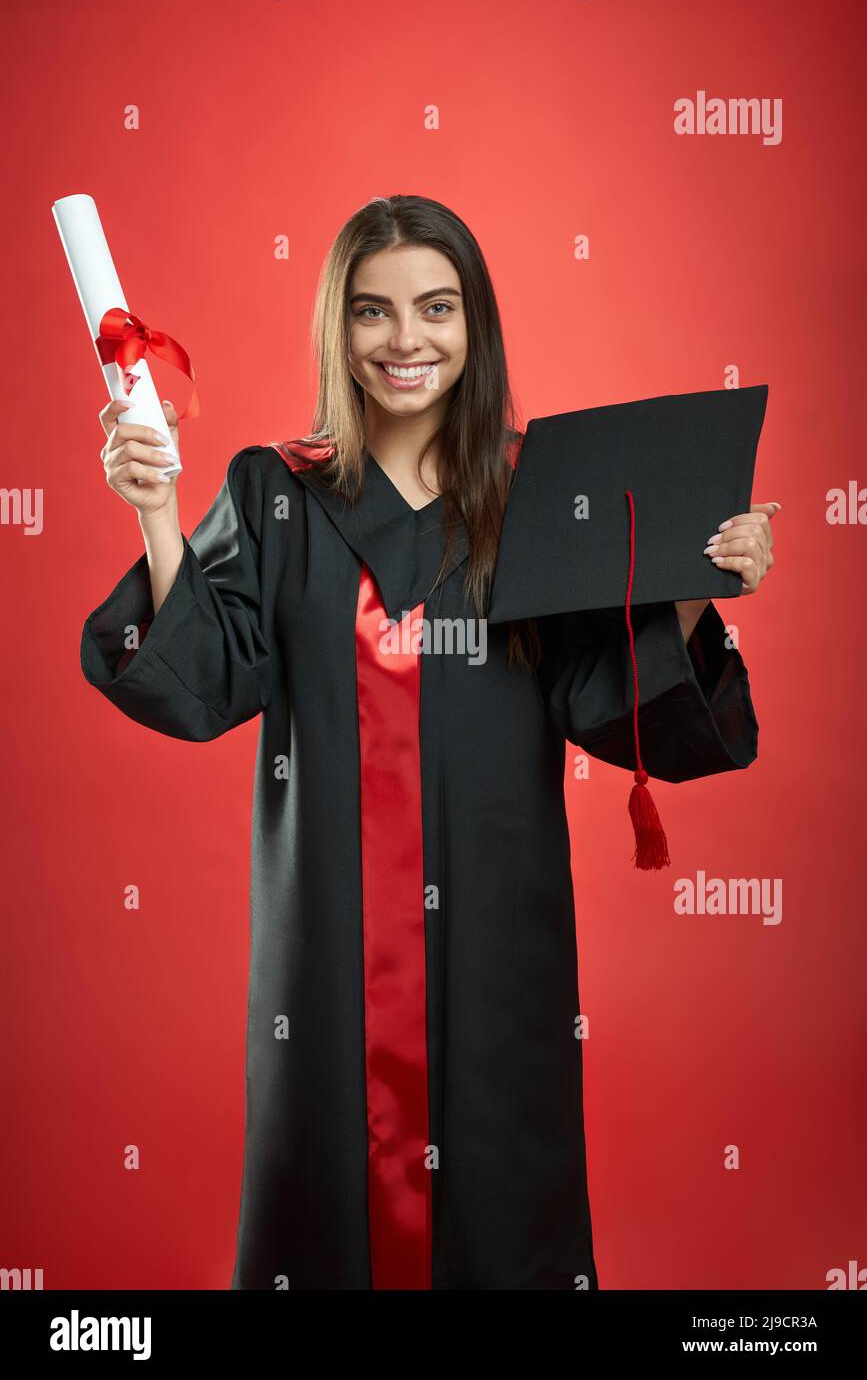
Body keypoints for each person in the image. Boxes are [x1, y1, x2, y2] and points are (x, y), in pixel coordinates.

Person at [81, 194, 779, 1290]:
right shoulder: (278, 492)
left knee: (502, 1190)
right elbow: (205, 679)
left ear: (476, 324)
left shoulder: (540, 494)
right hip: (329, 955)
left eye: (437, 308)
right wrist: (158, 512)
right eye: (373, 312)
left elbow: (605, 699)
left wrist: (694, 591)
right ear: (337, 328)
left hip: (501, 941)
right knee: (331, 1190)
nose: (406, 341)